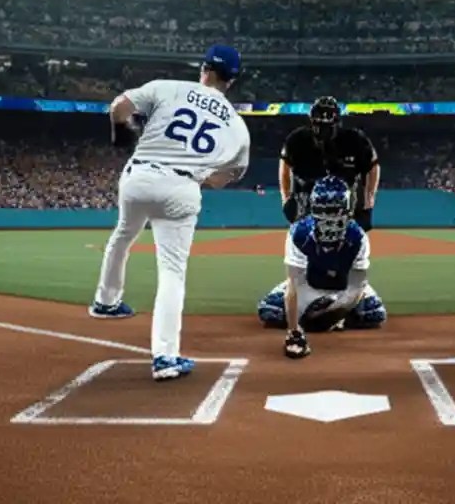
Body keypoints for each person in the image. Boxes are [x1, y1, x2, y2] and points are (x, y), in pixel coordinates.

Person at [89, 44, 251, 381]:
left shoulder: (169, 87)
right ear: (232, 81)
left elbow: (119, 108)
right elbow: (228, 176)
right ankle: (165, 357)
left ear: (203, 69)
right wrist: (203, 175)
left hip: (139, 175)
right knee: (172, 272)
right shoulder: (237, 126)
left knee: (124, 233)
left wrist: (122, 135)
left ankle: (105, 302)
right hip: (181, 187)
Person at [256, 176, 387, 359]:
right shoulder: (299, 234)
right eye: (324, 211)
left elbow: (357, 286)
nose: (329, 218)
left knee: (374, 313)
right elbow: (293, 284)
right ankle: (326, 316)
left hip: (344, 287)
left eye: (334, 211)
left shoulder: (357, 237)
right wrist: (294, 331)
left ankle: (338, 317)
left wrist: (333, 313)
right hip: (308, 284)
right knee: (270, 310)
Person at [279, 96, 380, 230]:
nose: (323, 131)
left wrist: (368, 201)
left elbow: (373, 165)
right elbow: (285, 163)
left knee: (354, 239)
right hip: (307, 204)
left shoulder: (355, 140)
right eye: (319, 125)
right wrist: (286, 198)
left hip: (346, 204)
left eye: (327, 126)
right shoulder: (297, 140)